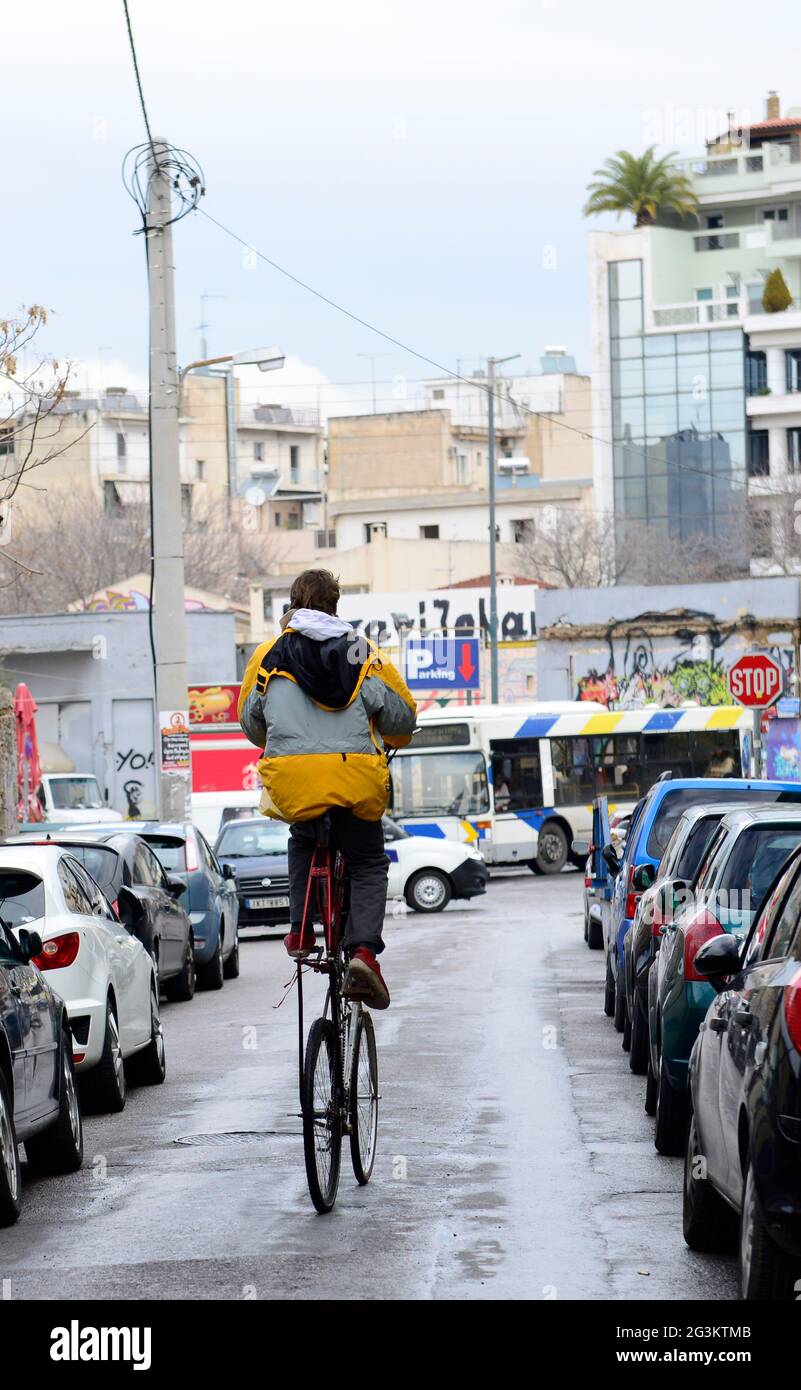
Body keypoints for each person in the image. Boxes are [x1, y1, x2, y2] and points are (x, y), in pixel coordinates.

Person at [238, 568, 417, 1009]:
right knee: (368, 862)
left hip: (295, 784)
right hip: (355, 781)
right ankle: (363, 953)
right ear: (336, 606)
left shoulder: (268, 653)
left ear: (292, 605)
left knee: (302, 838)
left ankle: (301, 928)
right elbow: (402, 720)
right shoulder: (363, 651)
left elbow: (250, 725)